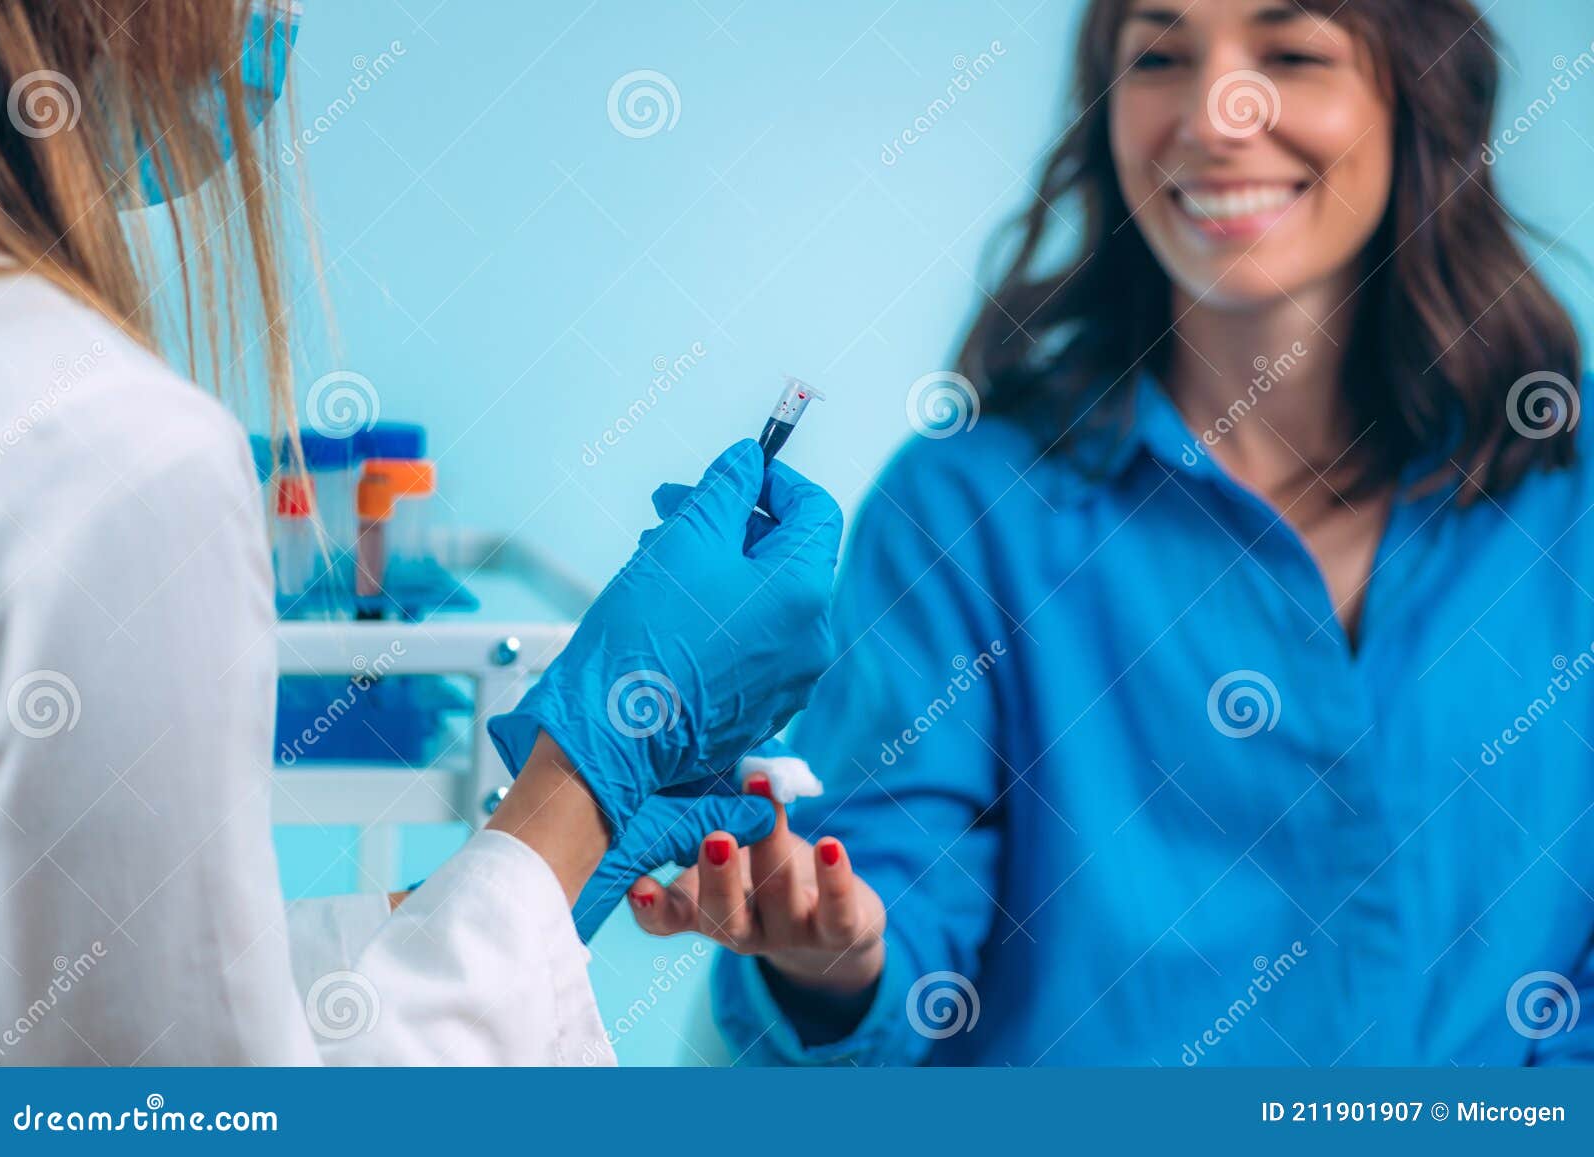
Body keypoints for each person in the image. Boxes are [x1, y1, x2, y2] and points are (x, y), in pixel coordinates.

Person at [633, 0, 1594, 1066]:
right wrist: (829, 961)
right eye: (1158, 56)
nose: (1214, 116)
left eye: (1289, 52)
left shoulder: (1573, 491)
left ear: (1419, 95)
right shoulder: (966, 511)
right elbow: (893, 904)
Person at [0, 1, 840, 1064]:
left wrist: (509, 885)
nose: (286, 14)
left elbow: (108, 998)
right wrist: (574, 794)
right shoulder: (112, 452)